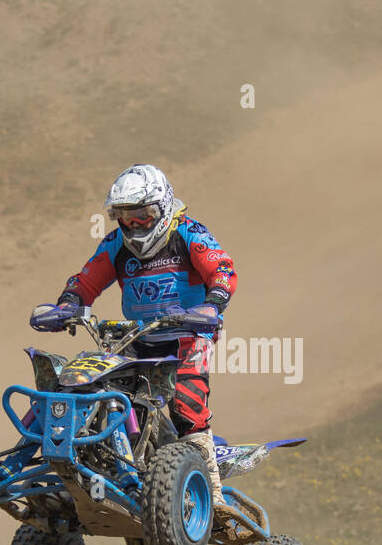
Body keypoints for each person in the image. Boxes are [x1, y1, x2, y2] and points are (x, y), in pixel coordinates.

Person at [40, 163, 237, 501]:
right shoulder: (116, 243)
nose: (133, 224)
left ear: (162, 207)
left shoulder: (188, 233)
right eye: (124, 215)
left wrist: (211, 305)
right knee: (90, 388)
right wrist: (68, 304)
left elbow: (222, 269)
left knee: (188, 408)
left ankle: (211, 494)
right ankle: (84, 471)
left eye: (142, 215)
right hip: (134, 338)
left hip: (187, 338)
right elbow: (86, 280)